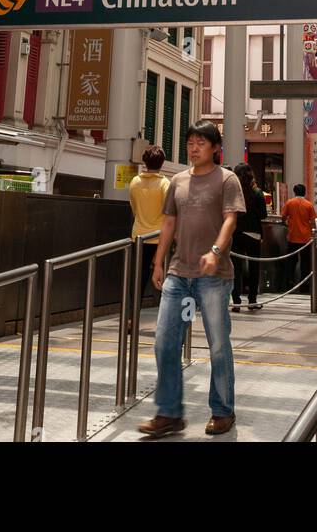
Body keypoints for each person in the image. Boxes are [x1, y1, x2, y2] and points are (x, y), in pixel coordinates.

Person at [138, 121, 244, 439]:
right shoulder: (178, 181)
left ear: (215, 148)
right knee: (166, 342)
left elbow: (230, 221)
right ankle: (170, 413)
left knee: (218, 345)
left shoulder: (227, 179)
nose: (194, 147)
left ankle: (223, 411)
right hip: (180, 278)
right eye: (190, 142)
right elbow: (169, 223)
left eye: (201, 142)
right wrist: (158, 263)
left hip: (212, 278)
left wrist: (215, 252)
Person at [128, 145, 170, 303]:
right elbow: (169, 213)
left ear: (145, 161)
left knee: (138, 279)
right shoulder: (165, 184)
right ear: (162, 162)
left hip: (138, 237)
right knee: (162, 278)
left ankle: (132, 316)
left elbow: (133, 208)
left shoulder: (135, 181)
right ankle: (164, 318)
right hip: (159, 239)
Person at [230, 163, 267, 314]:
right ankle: (252, 300)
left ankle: (237, 302)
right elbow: (263, 215)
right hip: (253, 234)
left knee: (236, 269)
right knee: (254, 268)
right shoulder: (257, 193)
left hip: (236, 233)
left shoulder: (233, 193)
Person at [281, 183, 317, 294]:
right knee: (305, 264)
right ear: (304, 192)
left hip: (292, 237)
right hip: (305, 239)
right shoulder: (309, 205)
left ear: (294, 192)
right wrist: (313, 233)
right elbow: (313, 222)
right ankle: (304, 287)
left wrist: (287, 223)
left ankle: (288, 285)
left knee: (290, 263)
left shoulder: (289, 203)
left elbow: (283, 217)